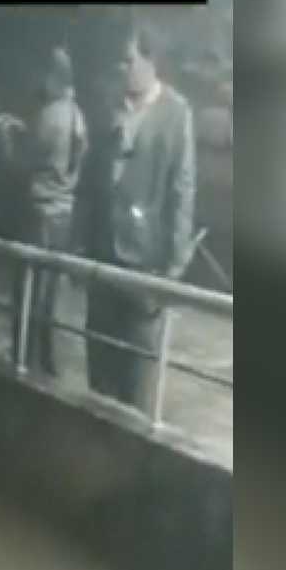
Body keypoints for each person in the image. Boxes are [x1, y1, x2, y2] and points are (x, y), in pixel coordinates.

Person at [81, 25, 198, 408]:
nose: (123, 67)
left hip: (144, 266)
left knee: (138, 377)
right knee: (99, 371)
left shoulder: (176, 113)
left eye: (130, 59)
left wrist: (174, 267)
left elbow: (182, 190)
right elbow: (90, 179)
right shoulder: (108, 105)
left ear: (152, 62)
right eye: (121, 60)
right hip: (102, 257)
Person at [4, 48, 88, 377]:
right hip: (63, 213)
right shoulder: (76, 113)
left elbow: (26, 164)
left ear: (54, 77)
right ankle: (47, 364)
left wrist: (9, 138)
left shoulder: (50, 114)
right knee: (49, 296)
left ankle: (22, 362)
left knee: (25, 293)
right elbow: (60, 152)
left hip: (39, 212)